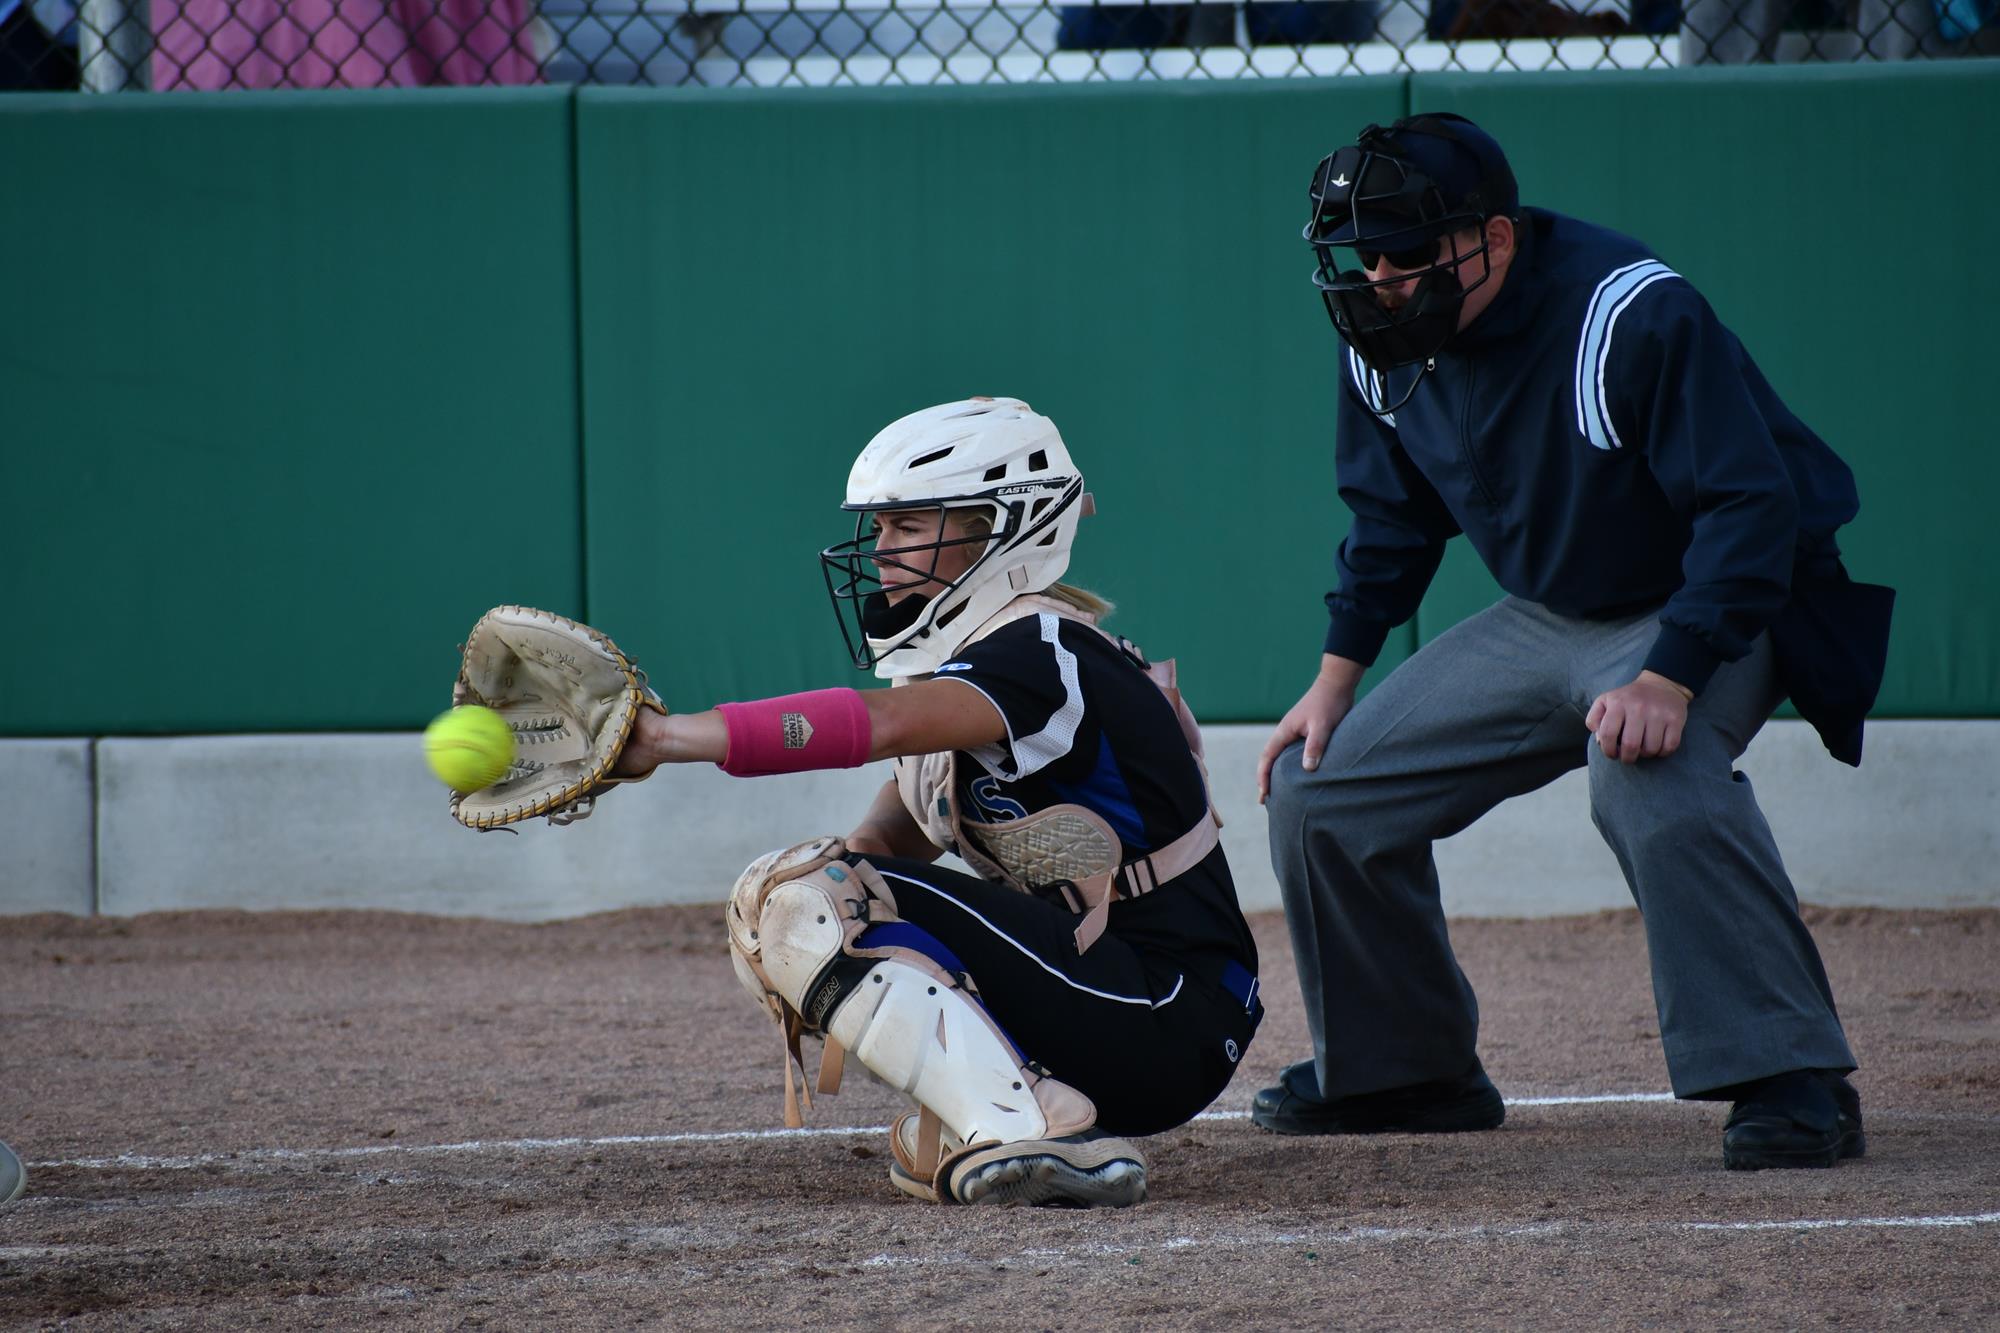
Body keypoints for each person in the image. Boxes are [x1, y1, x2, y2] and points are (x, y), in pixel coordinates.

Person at [1254, 114, 1892, 1171]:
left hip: (1707, 596)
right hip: (1550, 611)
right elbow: (1390, 520)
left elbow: (1749, 511)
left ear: (1492, 241)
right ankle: (1406, 1072)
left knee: (1643, 772)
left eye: (1408, 251)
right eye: (1361, 255)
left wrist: (1668, 676)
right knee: (1319, 794)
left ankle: (1791, 1075)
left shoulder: (1629, 314)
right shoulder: (1383, 331)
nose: (1382, 277)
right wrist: (1334, 679)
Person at [611, 396, 1262, 1207]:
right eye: (880, 528)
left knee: (813, 896)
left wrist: (670, 738)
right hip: (1120, 1002)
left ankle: (1034, 1124)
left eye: (909, 526)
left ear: (1004, 529)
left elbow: (877, 725)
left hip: (1169, 1006)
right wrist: (803, 936)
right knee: (783, 906)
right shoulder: (978, 665)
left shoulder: (1039, 649)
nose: (880, 553)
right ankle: (1010, 1105)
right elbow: (878, 855)